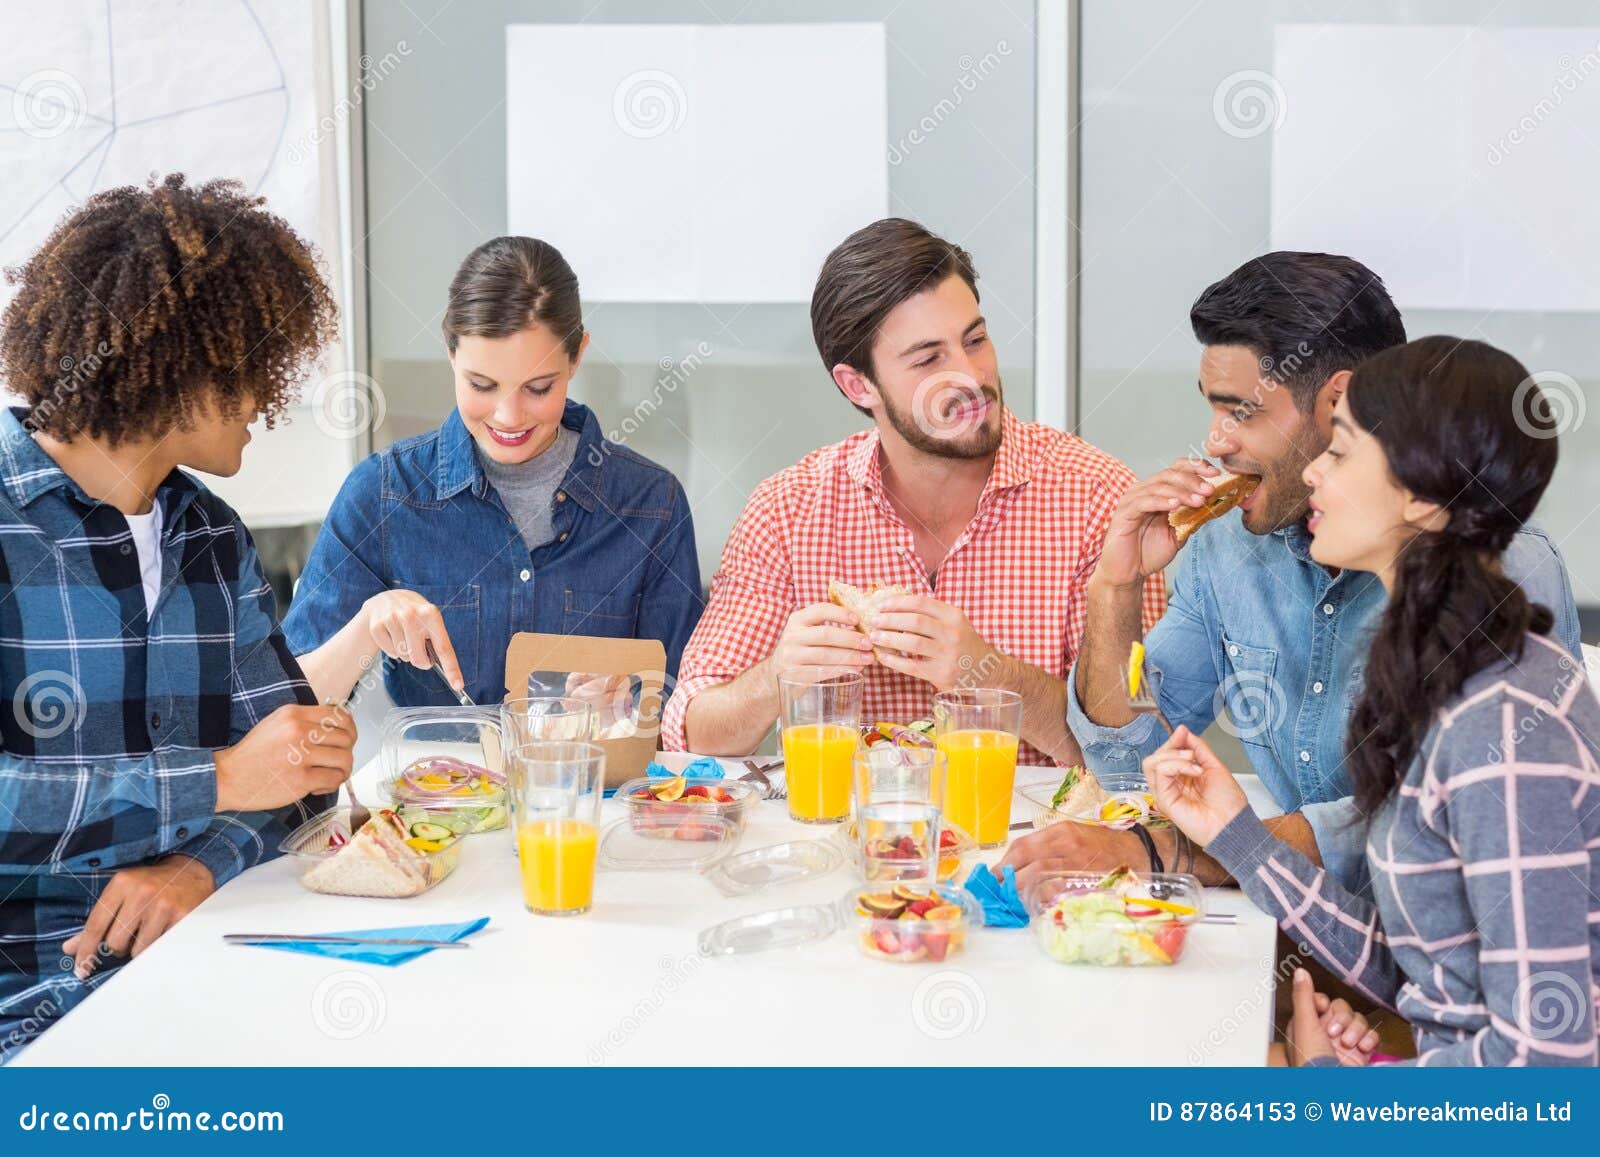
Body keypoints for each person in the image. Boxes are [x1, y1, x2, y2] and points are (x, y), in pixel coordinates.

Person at [1003, 253, 1579, 891]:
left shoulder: (1500, 565)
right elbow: (1128, 761)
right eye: (1213, 411)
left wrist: (1162, 853)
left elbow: (1399, 834)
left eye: (1241, 412)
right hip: (1302, 926)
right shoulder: (1223, 547)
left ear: (1341, 400)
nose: (1215, 442)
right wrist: (1116, 585)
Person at [1147, 336, 1600, 1067]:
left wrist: (1333, 1089)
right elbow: (1427, 968)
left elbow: (1544, 1068)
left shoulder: (1504, 722)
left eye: (1341, 451)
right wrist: (1237, 835)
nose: (1313, 473)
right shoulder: (1438, 671)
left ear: (1420, 496)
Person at [0, 176, 354, 1057]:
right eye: (255, 358)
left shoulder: (210, 535)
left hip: (210, 960)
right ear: (181, 359)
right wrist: (221, 779)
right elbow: (249, 771)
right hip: (32, 1001)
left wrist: (198, 863)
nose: (271, 396)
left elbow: (301, 775)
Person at [661, 219, 1165, 763]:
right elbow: (692, 733)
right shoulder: (786, 510)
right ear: (858, 385)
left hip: (1035, 844)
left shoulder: (1099, 499)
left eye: (975, 340)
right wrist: (774, 679)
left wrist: (986, 672)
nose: (970, 376)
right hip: (844, 843)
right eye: (929, 359)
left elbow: (1140, 752)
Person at [285, 236, 703, 712]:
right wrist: (366, 626)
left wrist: (626, 709)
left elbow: (685, 706)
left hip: (588, 785)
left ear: (577, 356)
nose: (509, 416)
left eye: (538, 388)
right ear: (451, 356)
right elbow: (291, 704)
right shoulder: (383, 494)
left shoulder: (650, 502)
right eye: (482, 385)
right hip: (442, 785)